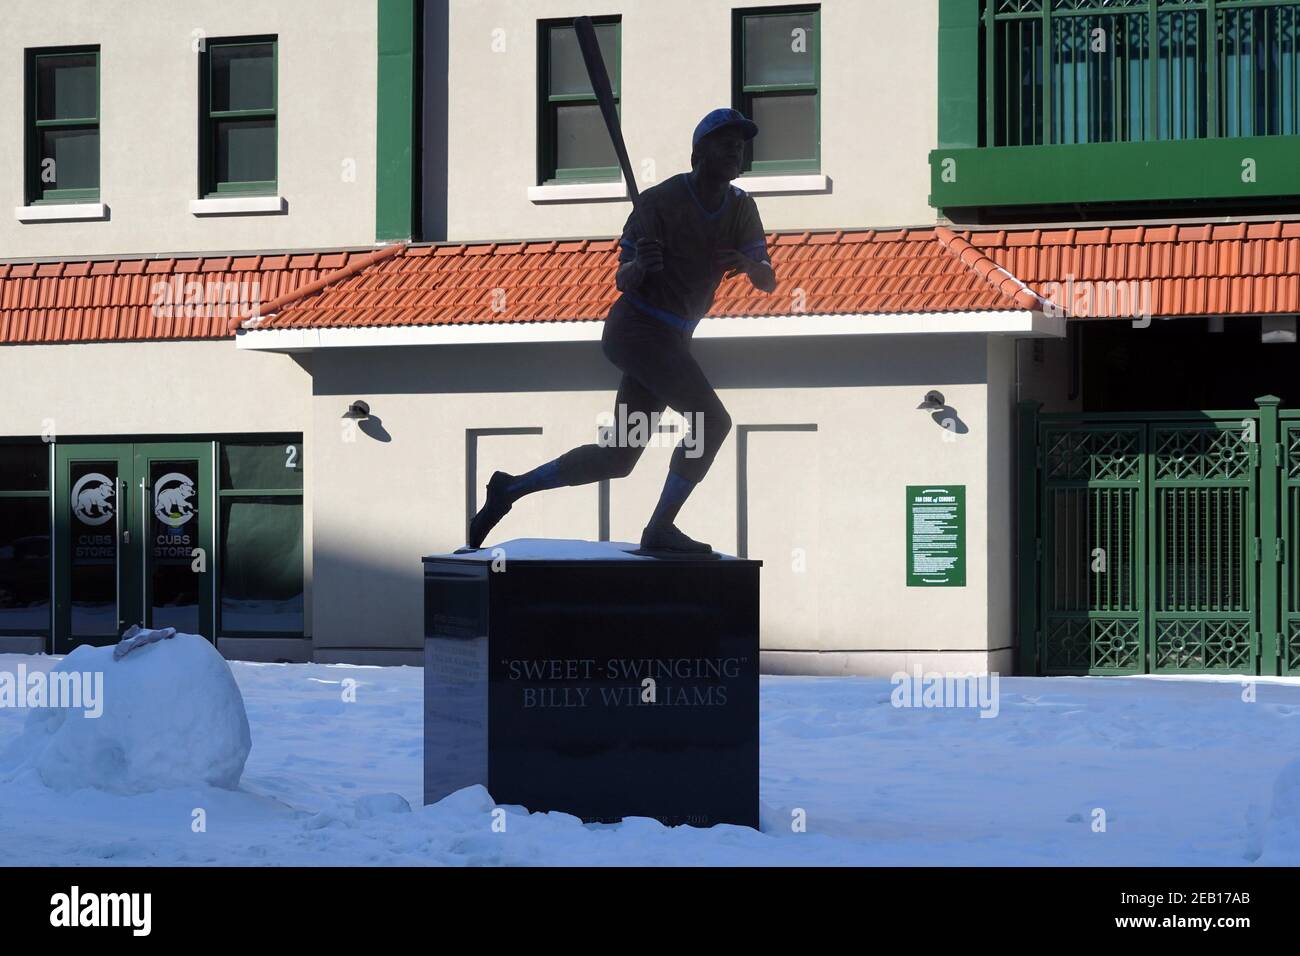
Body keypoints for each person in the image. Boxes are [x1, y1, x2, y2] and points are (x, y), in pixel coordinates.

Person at [468, 108, 777, 554]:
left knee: (618, 456)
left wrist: (749, 265)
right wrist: (641, 266)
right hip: (636, 331)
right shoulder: (658, 203)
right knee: (712, 421)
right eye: (724, 141)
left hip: (670, 341)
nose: (735, 149)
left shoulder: (742, 208)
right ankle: (660, 529)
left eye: (740, 143)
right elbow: (622, 278)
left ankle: (509, 489)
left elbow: (767, 279)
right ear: (698, 153)